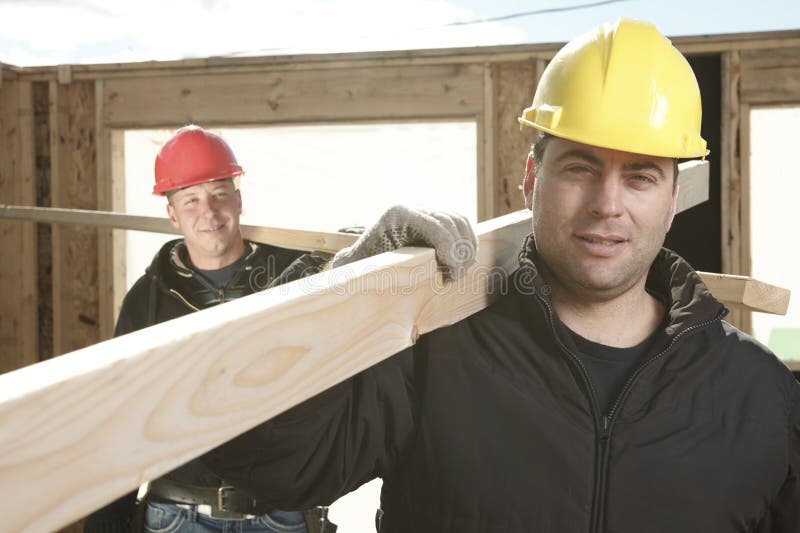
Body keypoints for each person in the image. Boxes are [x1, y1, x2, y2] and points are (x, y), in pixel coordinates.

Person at [200, 19, 800, 533]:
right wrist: (342, 295)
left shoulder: (759, 394)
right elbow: (261, 458)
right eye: (580, 167)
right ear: (531, 181)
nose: (606, 204)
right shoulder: (432, 353)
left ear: (673, 201)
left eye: (639, 176)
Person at [84, 125, 476, 533]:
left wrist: (387, 251)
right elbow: (121, 424)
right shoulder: (148, 300)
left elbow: (345, 298)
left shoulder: (290, 273)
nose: (210, 212)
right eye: (191, 200)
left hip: (280, 515)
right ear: (171, 212)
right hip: (181, 515)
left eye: (220, 194)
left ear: (238, 197)